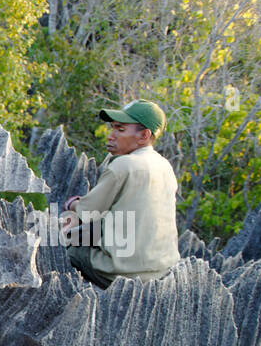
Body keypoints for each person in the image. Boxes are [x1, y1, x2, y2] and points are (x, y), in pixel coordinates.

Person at [59, 99, 180, 289]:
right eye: (113, 128)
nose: (111, 136)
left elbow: (87, 212)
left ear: (144, 135)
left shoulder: (123, 165)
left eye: (120, 130)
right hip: (162, 272)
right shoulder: (165, 166)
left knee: (62, 248)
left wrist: (72, 203)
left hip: (122, 273)